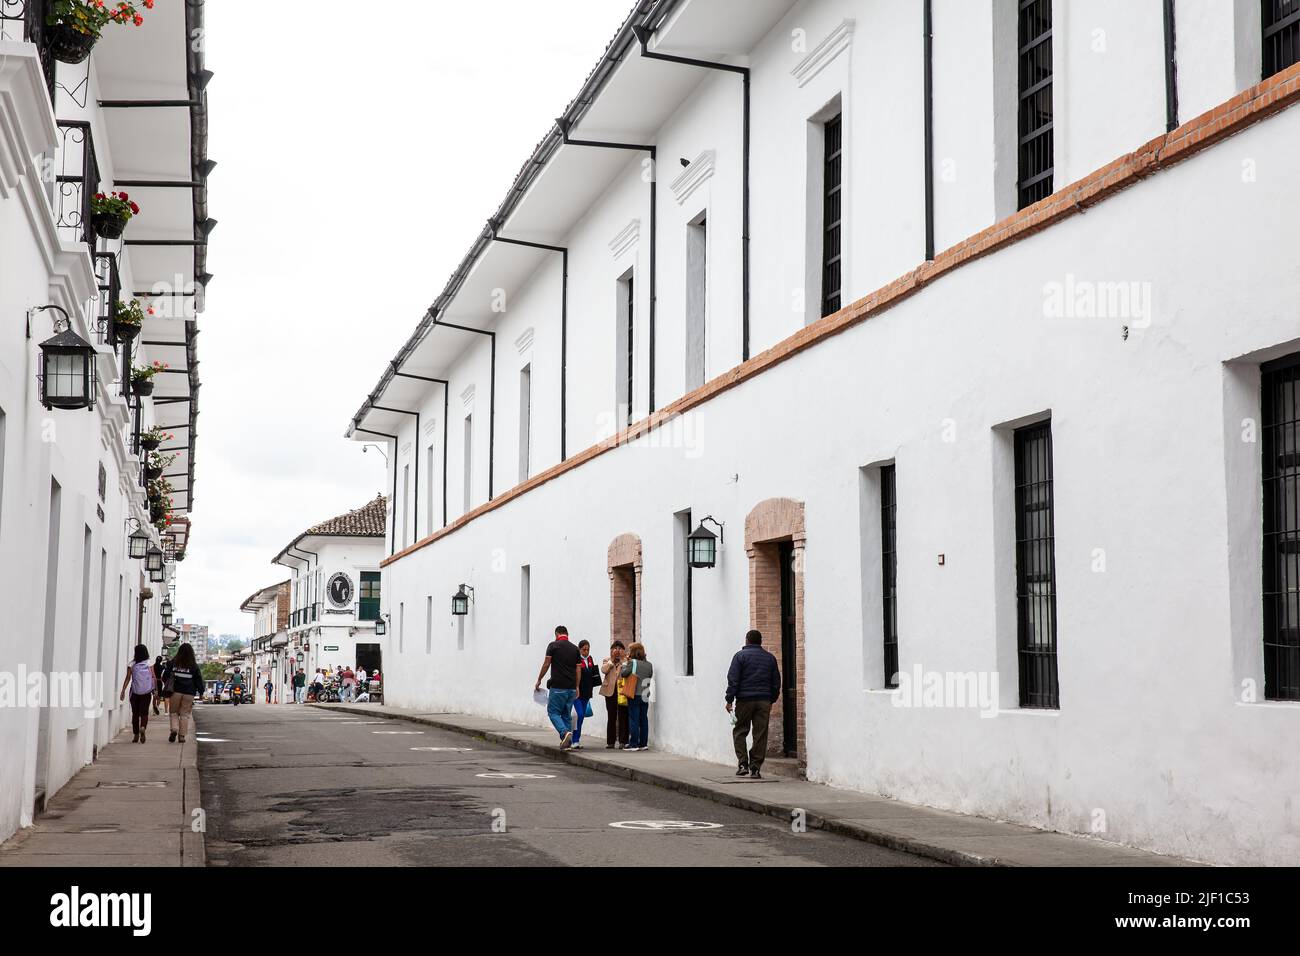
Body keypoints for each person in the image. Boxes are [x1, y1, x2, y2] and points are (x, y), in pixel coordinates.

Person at [725, 629, 782, 779]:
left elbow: (733, 680)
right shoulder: (770, 658)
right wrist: (771, 699)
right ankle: (755, 768)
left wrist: (729, 699)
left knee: (740, 731)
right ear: (760, 641)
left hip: (744, 701)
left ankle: (743, 764)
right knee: (760, 734)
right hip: (763, 701)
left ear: (746, 641)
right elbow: (776, 682)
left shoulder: (740, 657)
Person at [533, 625, 581, 750]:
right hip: (571, 688)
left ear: (556, 634)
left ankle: (565, 733)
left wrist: (539, 679)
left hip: (558, 686)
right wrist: (577, 686)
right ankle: (566, 744)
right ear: (567, 634)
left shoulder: (553, 646)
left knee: (553, 712)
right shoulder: (575, 649)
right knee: (566, 714)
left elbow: (546, 664)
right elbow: (578, 669)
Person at [161, 643, 204, 744]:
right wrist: (201, 692)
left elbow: (165, 676)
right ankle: (182, 736)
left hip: (175, 692)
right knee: (185, 714)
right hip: (189, 693)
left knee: (173, 712)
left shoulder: (173, 663)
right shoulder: (193, 665)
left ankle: (174, 729)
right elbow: (198, 679)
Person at [119, 644, 156, 743]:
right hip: (146, 692)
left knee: (135, 713)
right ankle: (143, 727)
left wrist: (123, 691)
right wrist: (155, 690)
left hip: (135, 692)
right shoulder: (149, 663)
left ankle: (136, 734)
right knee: (144, 712)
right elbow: (153, 677)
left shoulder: (131, 664)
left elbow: (128, 678)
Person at [620, 642, 654, 752]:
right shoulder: (649, 664)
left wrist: (625, 664)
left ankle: (633, 744)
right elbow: (649, 676)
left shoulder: (632, 662)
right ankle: (643, 744)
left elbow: (623, 674)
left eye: (630, 651)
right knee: (643, 719)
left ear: (633, 652)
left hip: (634, 693)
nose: (628, 653)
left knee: (634, 719)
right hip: (645, 694)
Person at [599, 640, 629, 749]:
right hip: (610, 691)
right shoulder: (607, 660)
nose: (617, 651)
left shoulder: (626, 661)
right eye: (615, 649)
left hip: (622, 691)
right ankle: (610, 741)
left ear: (623, 650)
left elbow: (628, 673)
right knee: (611, 716)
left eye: (619, 649)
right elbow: (604, 670)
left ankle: (623, 741)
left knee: (623, 715)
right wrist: (612, 661)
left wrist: (622, 660)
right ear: (611, 650)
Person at [571, 640, 601, 750]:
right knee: (578, 715)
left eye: (588, 649)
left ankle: (576, 739)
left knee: (581, 716)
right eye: (584, 649)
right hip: (577, 693)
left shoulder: (590, 659)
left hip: (587, 692)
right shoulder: (576, 660)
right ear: (579, 649)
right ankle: (573, 739)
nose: (586, 652)